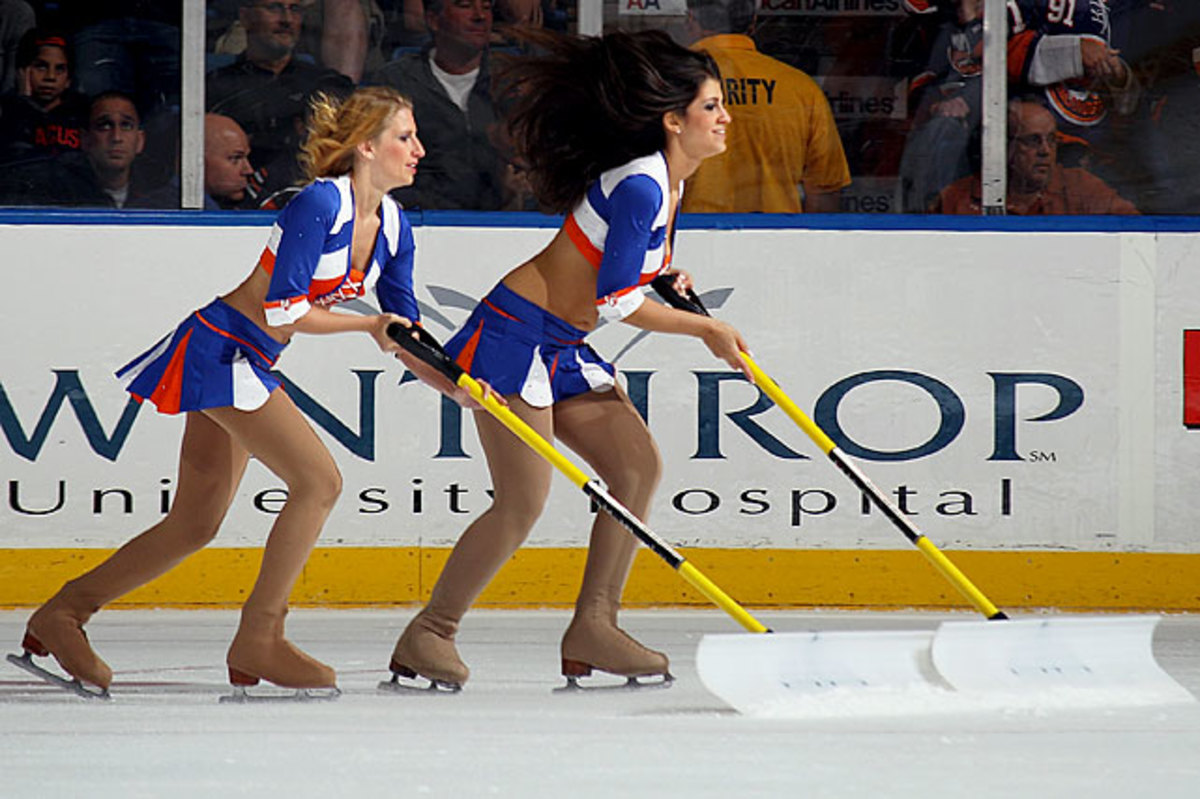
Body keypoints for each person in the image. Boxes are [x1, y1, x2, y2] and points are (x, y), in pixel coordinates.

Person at [15, 86, 443, 697]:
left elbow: (406, 332)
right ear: (365, 147)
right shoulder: (319, 205)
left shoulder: (396, 226)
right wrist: (368, 324)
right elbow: (285, 311)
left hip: (247, 358)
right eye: (405, 136)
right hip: (222, 348)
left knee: (194, 523)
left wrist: (458, 387)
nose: (419, 149)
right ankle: (260, 637)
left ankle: (61, 615)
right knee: (319, 482)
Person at [387, 28, 751, 690]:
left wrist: (669, 281)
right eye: (711, 106)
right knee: (523, 500)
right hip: (515, 336)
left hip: (557, 341)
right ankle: (429, 632)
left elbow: (623, 271)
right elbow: (615, 302)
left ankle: (595, 626)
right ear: (673, 120)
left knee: (635, 467)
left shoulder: (667, 182)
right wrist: (707, 331)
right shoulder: (644, 185)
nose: (725, 117)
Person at [680, 0, 849, 214]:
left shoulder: (668, 85)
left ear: (691, 21)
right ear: (753, 23)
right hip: (778, 241)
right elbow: (825, 193)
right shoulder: (800, 88)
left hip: (688, 240)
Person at [207, 0, 355, 208]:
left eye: (294, 9)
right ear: (245, 16)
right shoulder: (215, 88)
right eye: (274, 8)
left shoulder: (327, 85)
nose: (286, 19)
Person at [369, 0, 507, 210]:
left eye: (487, 7)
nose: (480, 16)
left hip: (509, 221)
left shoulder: (512, 82)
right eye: (465, 6)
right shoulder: (395, 82)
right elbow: (376, 166)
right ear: (433, 20)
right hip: (420, 220)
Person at [931, 97, 1139, 215]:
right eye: (1032, 140)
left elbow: (1134, 230)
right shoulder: (957, 199)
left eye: (1051, 140)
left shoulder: (1081, 187)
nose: (1045, 151)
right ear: (1004, 146)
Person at [0, 90, 157, 208]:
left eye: (126, 125)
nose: (116, 137)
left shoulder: (158, 191)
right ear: (85, 139)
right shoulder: (54, 188)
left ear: (140, 140)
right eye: (104, 126)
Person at [897, 0, 983, 212]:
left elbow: (1012, 75)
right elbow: (920, 84)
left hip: (992, 125)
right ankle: (931, 217)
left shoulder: (1010, 17)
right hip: (944, 125)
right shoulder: (930, 23)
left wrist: (970, 98)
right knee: (943, 129)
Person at [0, 29, 88, 164]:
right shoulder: (7, 112)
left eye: (59, 69)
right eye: (41, 67)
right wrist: (24, 104)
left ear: (69, 79)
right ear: (22, 71)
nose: (50, 77)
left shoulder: (82, 114)